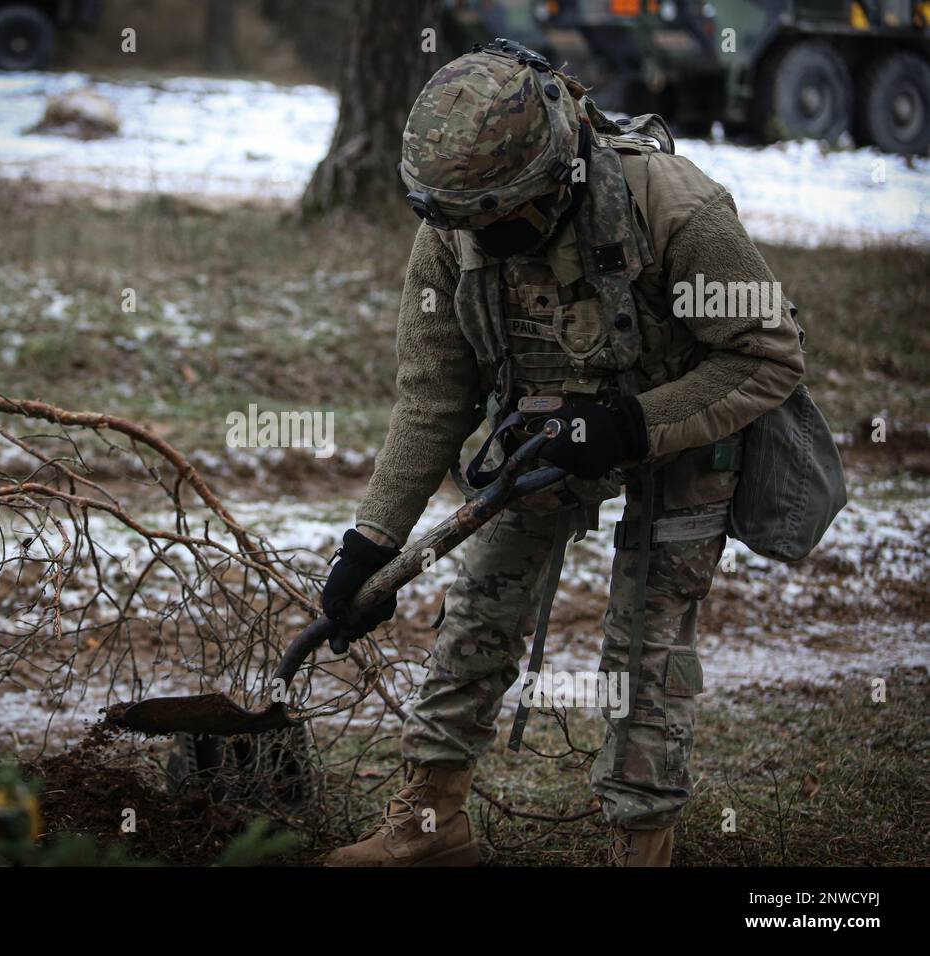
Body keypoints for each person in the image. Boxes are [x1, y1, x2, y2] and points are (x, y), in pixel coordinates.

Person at [321, 39, 804, 867]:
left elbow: (767, 355)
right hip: (542, 426)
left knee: (644, 649)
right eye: (468, 223)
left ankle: (641, 843)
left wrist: (630, 426)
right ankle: (432, 826)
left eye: (506, 220)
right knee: (479, 610)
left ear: (559, 175)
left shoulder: (677, 209)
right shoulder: (456, 221)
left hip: (681, 424)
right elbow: (435, 393)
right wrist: (371, 543)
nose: (488, 238)